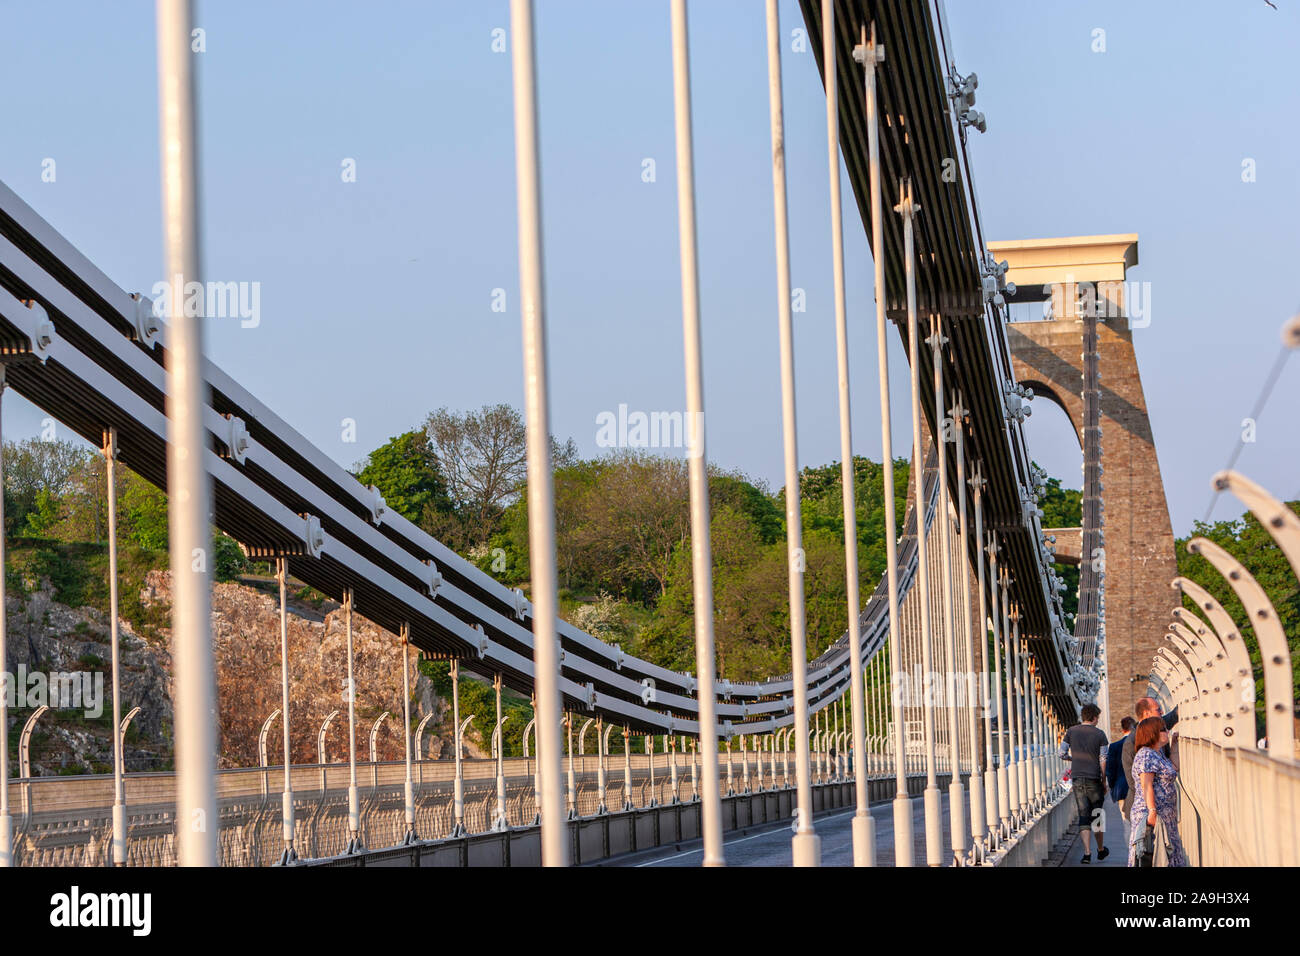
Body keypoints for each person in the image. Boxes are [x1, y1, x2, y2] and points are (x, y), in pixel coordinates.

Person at [1127, 716, 1188, 867]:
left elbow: (1174, 768)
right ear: (1152, 733)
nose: (1167, 731)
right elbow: (1146, 784)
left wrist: (1174, 745)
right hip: (1152, 816)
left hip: (1166, 817)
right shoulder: (1146, 754)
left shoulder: (1158, 753)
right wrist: (1152, 812)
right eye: (1164, 729)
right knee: (1154, 858)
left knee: (1166, 856)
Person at [1059, 703, 1109, 863]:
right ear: (1094, 717)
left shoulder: (1071, 731)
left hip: (1078, 778)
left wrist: (1074, 759)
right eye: (1098, 718)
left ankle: (1087, 853)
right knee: (1097, 815)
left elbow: (1061, 753)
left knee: (1083, 815)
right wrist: (1104, 780)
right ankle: (1100, 849)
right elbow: (1103, 759)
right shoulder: (1100, 734)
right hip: (1094, 778)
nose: (1098, 721)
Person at [1122, 698, 1178, 819]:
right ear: (1147, 714)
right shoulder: (1132, 743)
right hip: (1147, 813)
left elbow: (1172, 717)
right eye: (1158, 710)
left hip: (1161, 811)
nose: (1162, 712)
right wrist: (1153, 808)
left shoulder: (1157, 732)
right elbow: (1136, 783)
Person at [1106, 716, 1134, 816]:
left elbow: (1110, 770)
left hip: (1121, 787)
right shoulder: (1139, 743)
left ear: (1122, 729)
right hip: (1139, 788)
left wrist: (1113, 785)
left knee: (1126, 821)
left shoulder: (1114, 746)